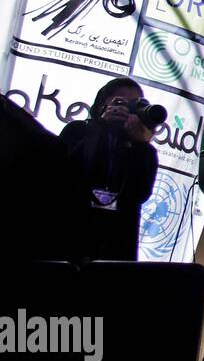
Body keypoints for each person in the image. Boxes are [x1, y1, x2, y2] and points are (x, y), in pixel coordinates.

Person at [58, 77, 160, 262]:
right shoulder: (78, 131)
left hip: (115, 250)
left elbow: (140, 193)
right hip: (70, 238)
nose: (125, 110)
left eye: (133, 105)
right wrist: (101, 127)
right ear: (101, 106)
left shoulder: (143, 148)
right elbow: (65, 173)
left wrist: (139, 145)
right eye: (120, 103)